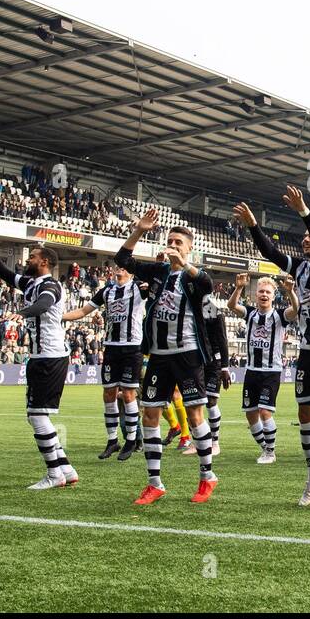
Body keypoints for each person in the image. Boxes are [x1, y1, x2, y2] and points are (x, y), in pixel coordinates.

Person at [235, 185, 310, 505]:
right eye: (304, 236)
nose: (305, 239)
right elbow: (271, 253)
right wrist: (253, 226)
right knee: (305, 411)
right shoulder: (300, 268)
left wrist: (304, 212)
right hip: (309, 350)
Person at [114, 207, 219, 505]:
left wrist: (184, 264)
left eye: (178, 243)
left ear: (189, 249)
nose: (172, 245)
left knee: (195, 414)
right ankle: (154, 483)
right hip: (159, 355)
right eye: (170, 241)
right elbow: (122, 260)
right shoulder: (158, 271)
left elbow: (207, 285)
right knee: (150, 414)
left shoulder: (194, 276)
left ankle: (207, 476)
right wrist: (139, 231)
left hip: (188, 354)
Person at [0, 219, 77, 490]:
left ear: (44, 262)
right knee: (36, 415)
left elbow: (44, 304)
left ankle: (55, 475)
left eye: (33, 257)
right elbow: (1, 271)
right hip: (41, 356)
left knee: (37, 417)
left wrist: (22, 313)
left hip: (49, 356)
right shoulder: (30, 284)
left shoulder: (51, 286)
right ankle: (66, 469)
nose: (28, 259)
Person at [63, 263, 146, 462]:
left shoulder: (138, 287)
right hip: (111, 347)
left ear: (131, 271)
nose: (120, 269)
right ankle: (112, 440)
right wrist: (58, 316)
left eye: (124, 267)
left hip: (132, 347)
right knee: (109, 394)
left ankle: (131, 440)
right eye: (118, 266)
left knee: (128, 394)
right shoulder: (107, 291)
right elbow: (83, 311)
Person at [228, 272, 296, 463]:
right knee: (251, 414)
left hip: (271, 372)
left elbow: (296, 310)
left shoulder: (280, 316)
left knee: (265, 411)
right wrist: (239, 287)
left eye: (268, 292)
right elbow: (231, 306)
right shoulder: (250, 313)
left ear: (273, 296)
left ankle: (270, 452)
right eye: (261, 291)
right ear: (256, 294)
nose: (264, 294)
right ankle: (265, 447)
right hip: (251, 371)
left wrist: (290, 292)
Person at [200, 291, 233, 458]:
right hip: (196, 360)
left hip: (214, 362)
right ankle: (198, 441)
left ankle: (215, 443)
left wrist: (225, 367)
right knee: (194, 402)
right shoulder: (190, 308)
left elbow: (223, 340)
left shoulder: (214, 311)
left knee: (211, 401)